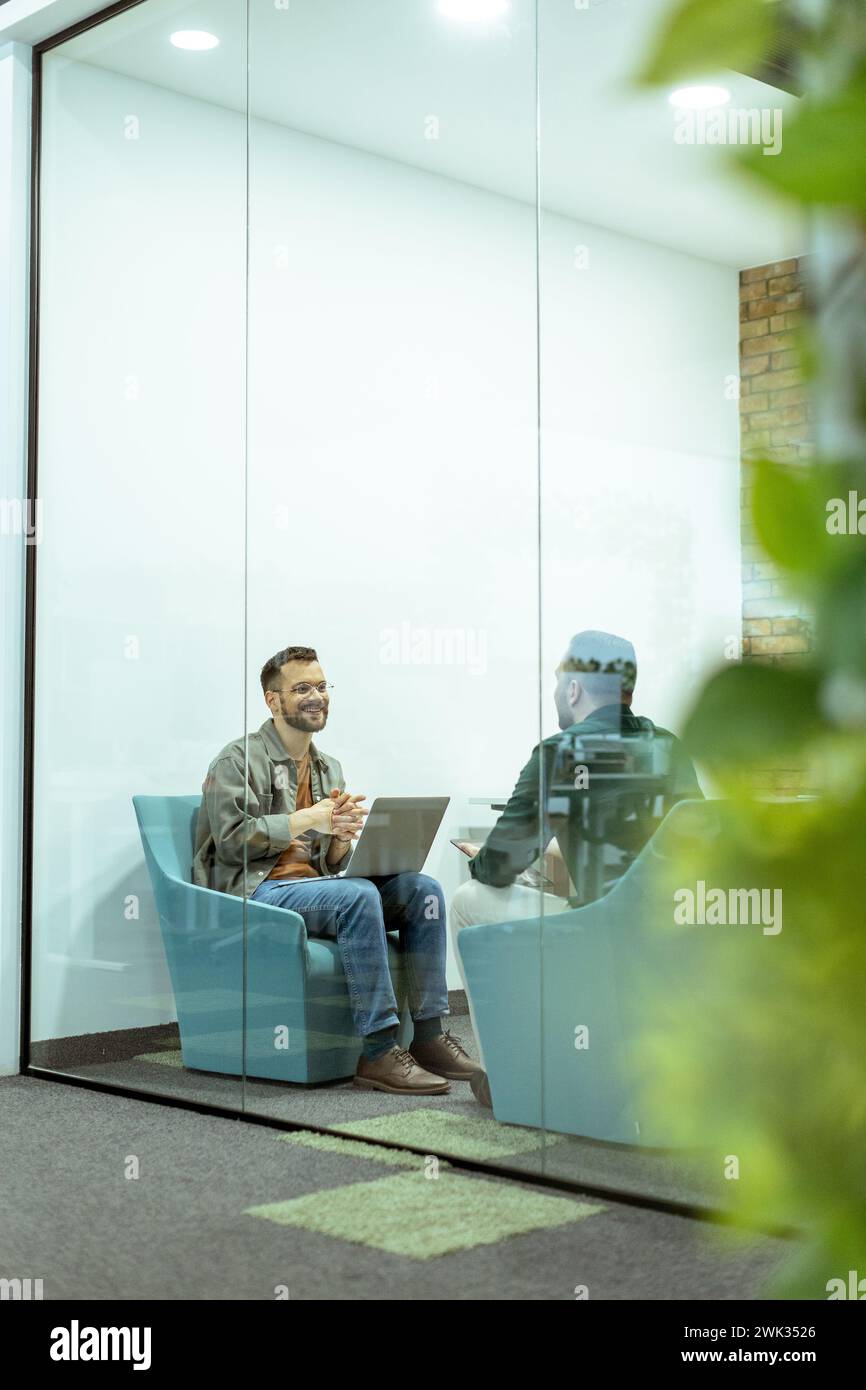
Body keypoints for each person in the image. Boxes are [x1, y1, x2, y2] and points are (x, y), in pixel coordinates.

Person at [193, 644, 477, 1095]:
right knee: (358, 896)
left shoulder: (329, 768)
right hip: (256, 891)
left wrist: (344, 841)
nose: (316, 696)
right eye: (302, 688)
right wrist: (311, 818)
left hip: (318, 889)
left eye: (322, 687)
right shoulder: (237, 760)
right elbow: (231, 843)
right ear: (273, 700)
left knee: (423, 890)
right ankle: (379, 1050)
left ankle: (428, 1036)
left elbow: (330, 863)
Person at [449, 629, 702, 1105]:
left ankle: (500, 1071)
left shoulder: (559, 753)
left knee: (466, 902)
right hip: (672, 934)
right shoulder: (669, 747)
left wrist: (484, 858)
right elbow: (671, 846)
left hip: (601, 931)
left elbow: (499, 866)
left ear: (573, 689)